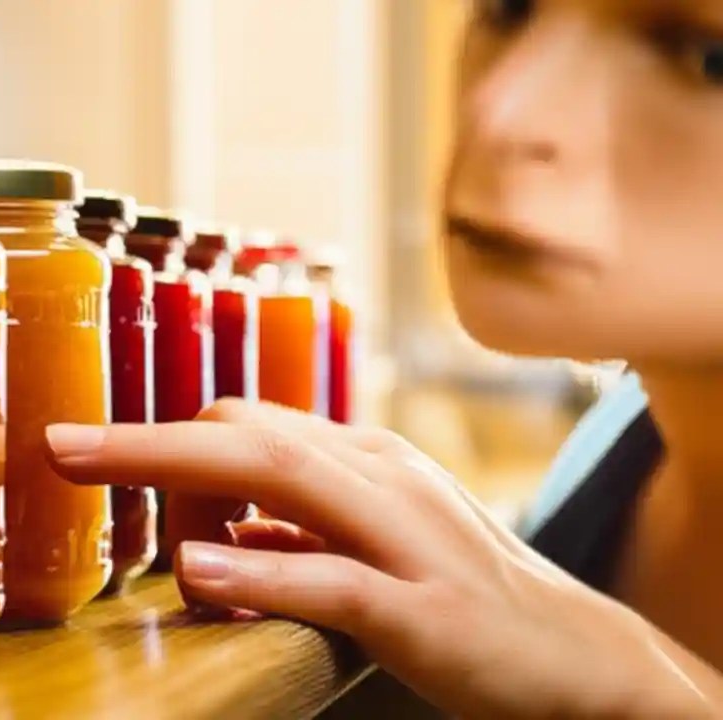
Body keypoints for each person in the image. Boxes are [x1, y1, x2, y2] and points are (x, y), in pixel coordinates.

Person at [46, 0, 723, 716]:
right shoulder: (618, 444)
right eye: (507, 7)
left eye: (707, 57)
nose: (502, 110)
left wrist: (639, 694)